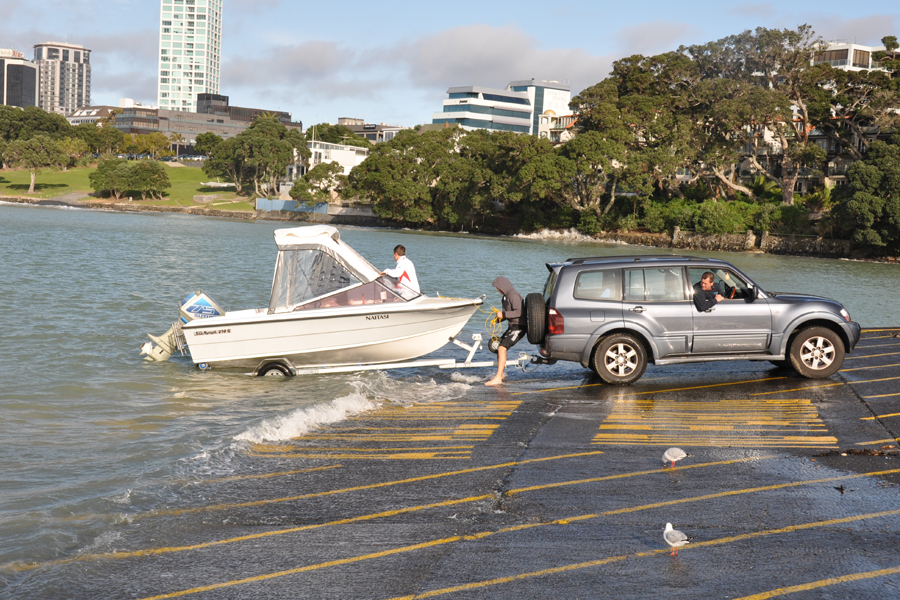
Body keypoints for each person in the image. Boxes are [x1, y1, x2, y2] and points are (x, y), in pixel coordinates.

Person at [485, 276, 525, 386]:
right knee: (499, 348)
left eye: (498, 288)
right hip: (512, 326)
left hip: (519, 327)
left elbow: (519, 312)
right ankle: (501, 375)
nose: (497, 290)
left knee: (502, 348)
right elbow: (507, 315)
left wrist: (503, 314)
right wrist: (498, 320)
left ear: (503, 286)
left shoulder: (514, 296)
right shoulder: (504, 298)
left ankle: (498, 378)